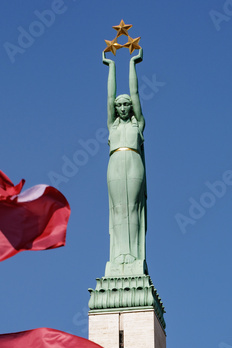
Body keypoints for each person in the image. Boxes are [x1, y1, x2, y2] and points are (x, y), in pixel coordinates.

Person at [103, 48, 146, 275]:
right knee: (118, 209)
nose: (121, 107)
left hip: (133, 161)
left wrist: (132, 64)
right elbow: (109, 97)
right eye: (119, 105)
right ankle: (119, 255)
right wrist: (111, 67)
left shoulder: (137, 124)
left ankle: (132, 254)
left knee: (133, 208)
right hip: (115, 162)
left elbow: (136, 93)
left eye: (125, 104)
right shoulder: (113, 125)